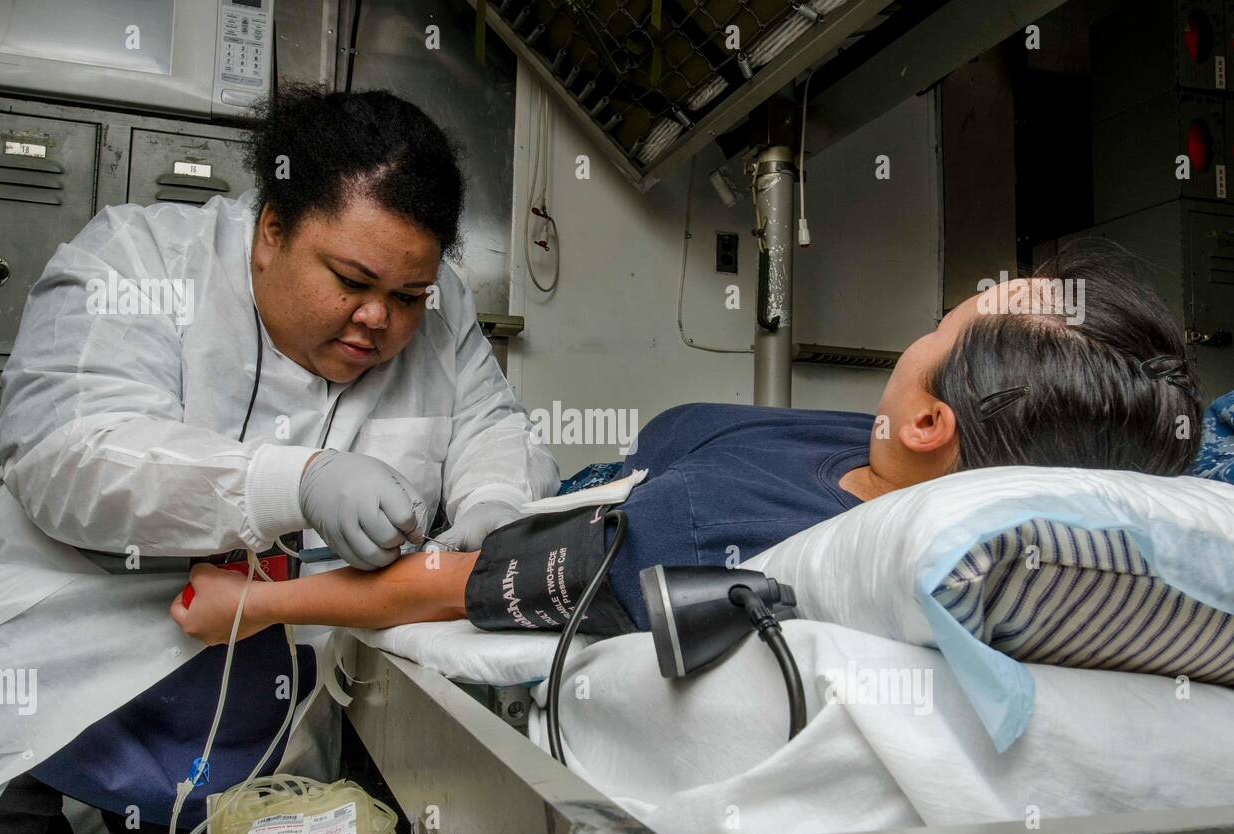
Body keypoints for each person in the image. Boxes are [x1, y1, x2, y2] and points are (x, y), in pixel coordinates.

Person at [0, 85, 558, 834]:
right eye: (352, 281)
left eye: (407, 295)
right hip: (48, 670)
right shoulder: (139, 260)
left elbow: (492, 423)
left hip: (243, 722)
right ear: (271, 230)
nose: (379, 318)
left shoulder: (439, 311)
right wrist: (294, 482)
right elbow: (70, 449)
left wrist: (490, 511)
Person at [174, 247, 1203, 644]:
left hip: (551, 518)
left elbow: (446, 584)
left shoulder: (712, 534)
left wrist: (252, 604)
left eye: (937, 328)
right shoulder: (898, 445)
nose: (919, 336)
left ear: (933, 422)